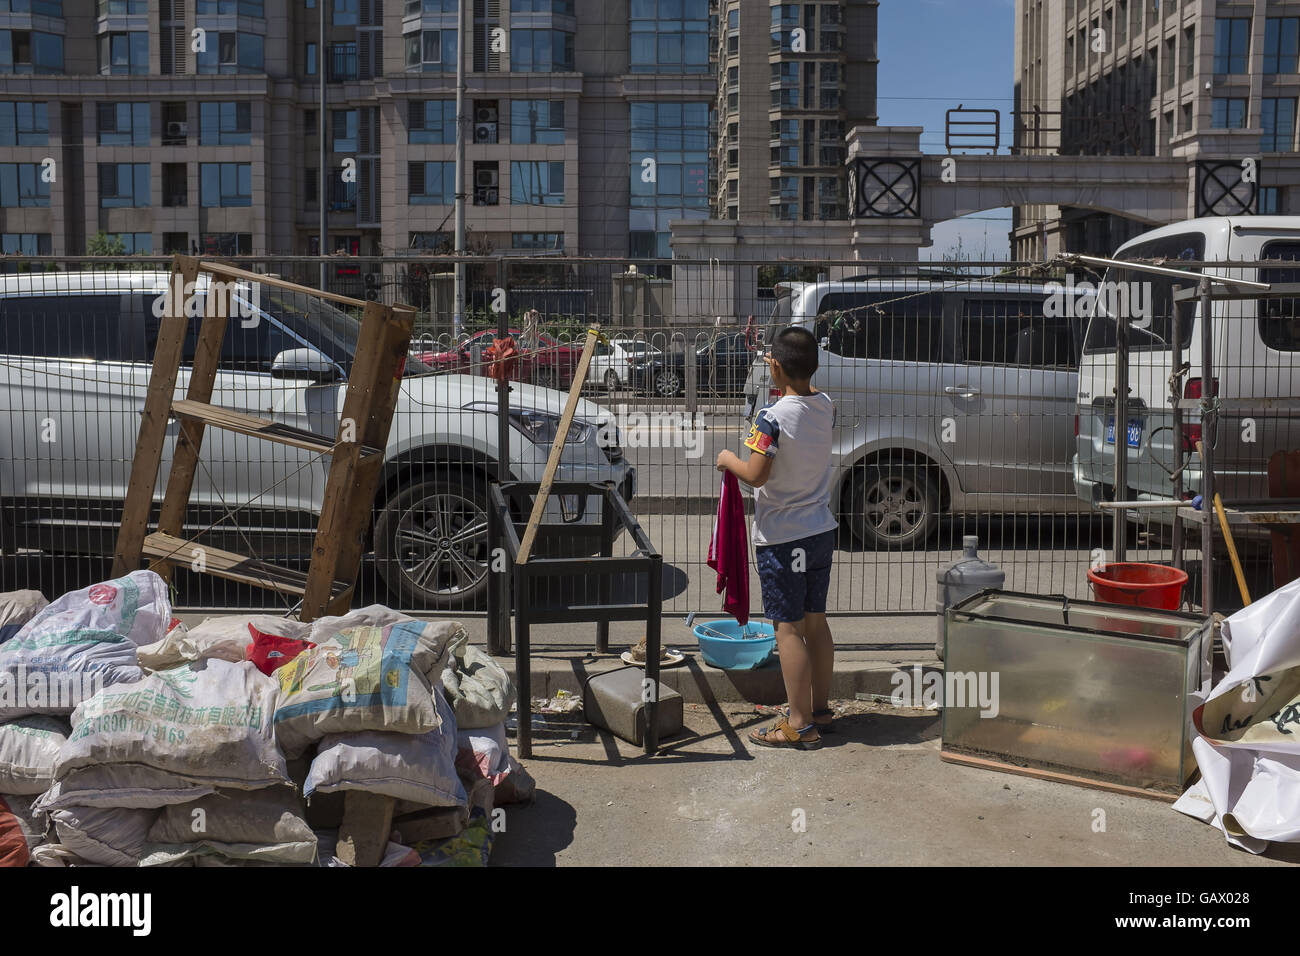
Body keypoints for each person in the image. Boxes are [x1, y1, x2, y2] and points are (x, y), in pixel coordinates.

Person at [716, 325, 837, 751]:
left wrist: (728, 458)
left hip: (784, 538)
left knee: (787, 630)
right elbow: (803, 394)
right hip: (821, 530)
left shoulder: (769, 418)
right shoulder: (826, 404)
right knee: (816, 623)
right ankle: (819, 707)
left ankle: (800, 724)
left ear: (776, 367)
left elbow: (755, 474)